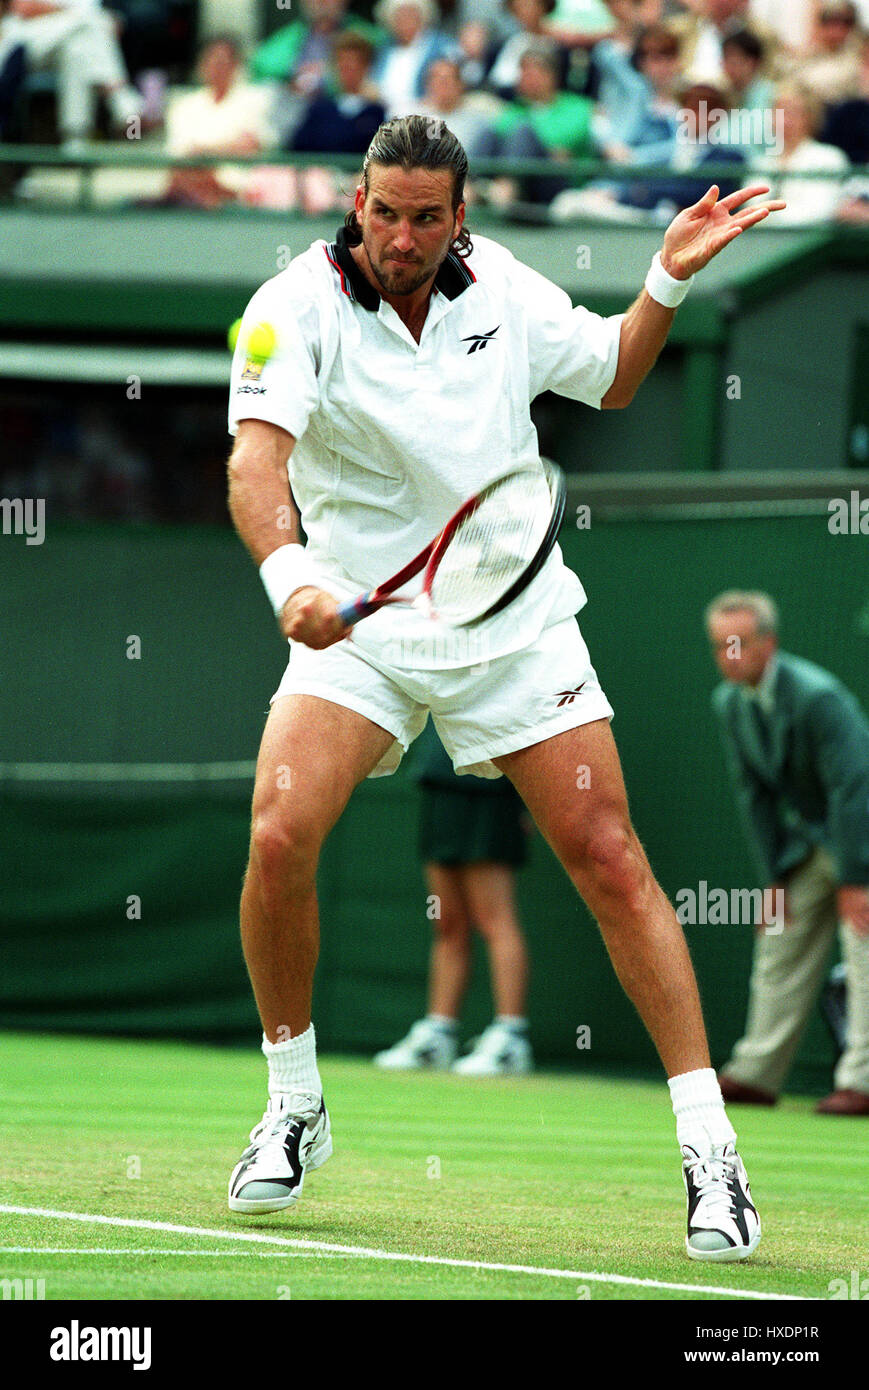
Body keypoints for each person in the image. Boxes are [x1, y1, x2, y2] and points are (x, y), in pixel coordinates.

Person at [225, 113, 784, 1259]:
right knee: (279, 833)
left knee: (612, 860)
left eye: (426, 216)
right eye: (383, 210)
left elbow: (617, 380)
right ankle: (292, 1102)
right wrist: (289, 577)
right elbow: (255, 462)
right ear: (357, 198)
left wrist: (662, 283)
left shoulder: (508, 291)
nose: (401, 234)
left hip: (512, 624)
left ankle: (710, 1156)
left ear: (459, 213)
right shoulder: (289, 307)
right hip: (361, 632)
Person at [706, 592, 869, 1116]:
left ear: (768, 644)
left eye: (739, 643)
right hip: (809, 846)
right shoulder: (729, 703)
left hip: (858, 836)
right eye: (719, 646)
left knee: (863, 938)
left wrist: (855, 879)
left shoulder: (818, 696)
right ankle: (756, 1074)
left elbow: (854, 787)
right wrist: (772, 881)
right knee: (778, 933)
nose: (728, 654)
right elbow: (753, 794)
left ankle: (861, 1081)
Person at [374, 720, 533, 1075]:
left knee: (495, 920)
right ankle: (439, 1034)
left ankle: (511, 1038)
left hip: (492, 784)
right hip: (440, 781)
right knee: (447, 922)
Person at [3, 0, 142, 148]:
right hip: (21, 40)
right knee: (97, 21)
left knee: (75, 52)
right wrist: (65, 10)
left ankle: (76, 139)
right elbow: (25, 8)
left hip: (68, 36)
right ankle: (124, 102)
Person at [163, 36, 277, 210]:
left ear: (236, 66)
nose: (217, 69)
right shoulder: (184, 105)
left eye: (223, 62)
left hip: (237, 192)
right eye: (212, 62)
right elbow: (180, 153)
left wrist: (205, 152)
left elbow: (250, 146)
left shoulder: (255, 99)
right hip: (190, 186)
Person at [751, 81, 850, 225]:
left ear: (810, 117)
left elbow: (819, 211)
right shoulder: (760, 162)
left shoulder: (829, 158)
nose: (785, 121)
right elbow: (751, 210)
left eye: (793, 113)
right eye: (780, 112)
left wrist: (769, 218)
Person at [291, 33, 386, 154]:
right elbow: (299, 149)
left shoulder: (375, 113)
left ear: (366, 67)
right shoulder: (319, 109)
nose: (347, 73)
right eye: (343, 67)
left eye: (353, 67)